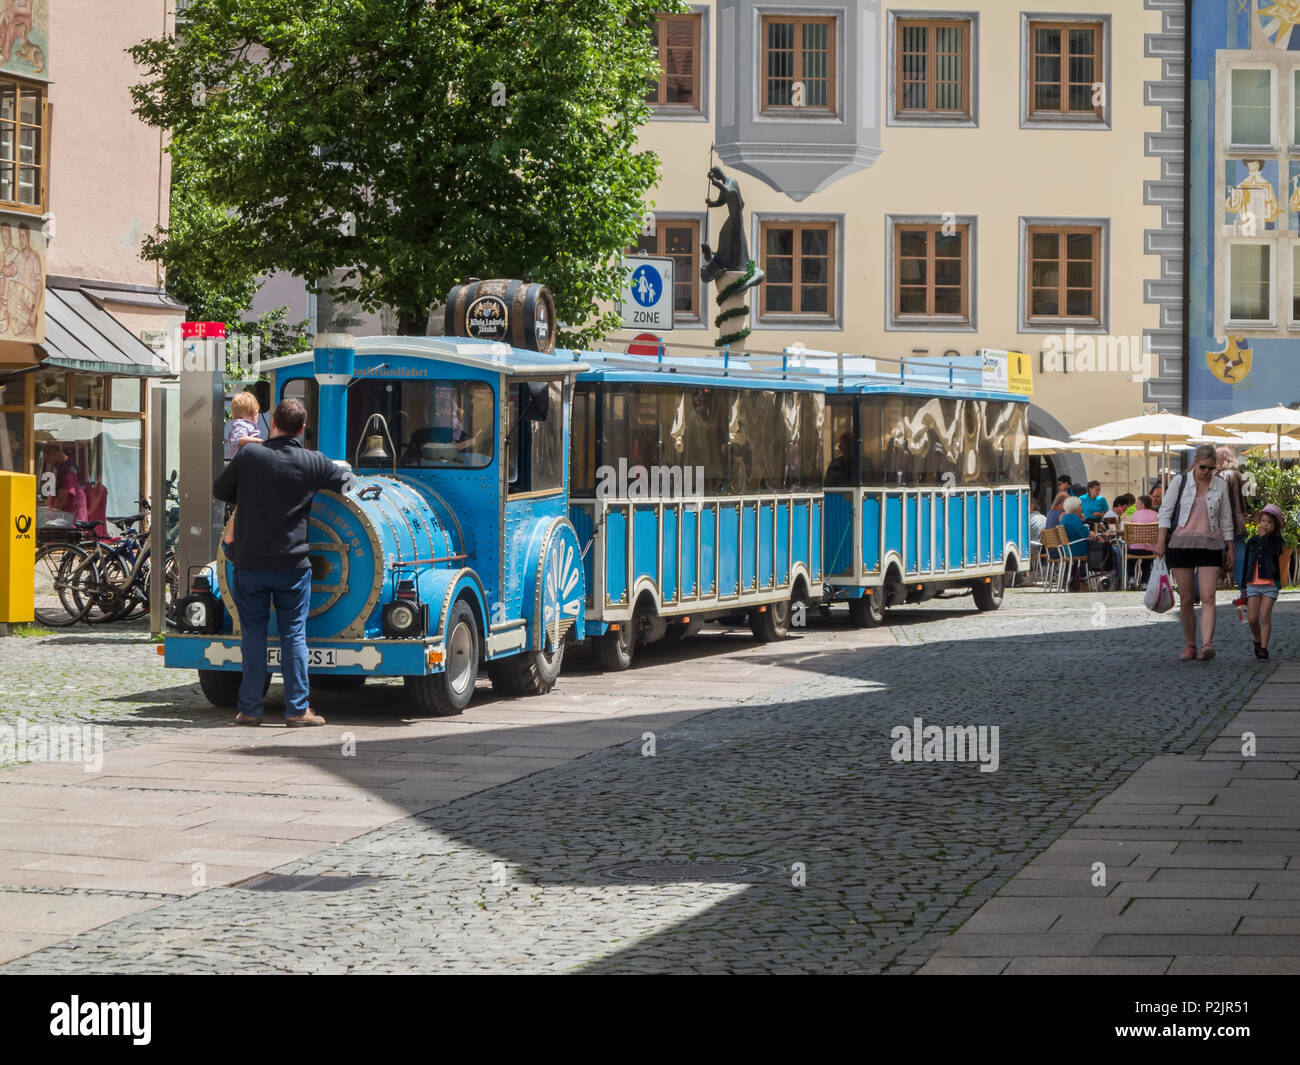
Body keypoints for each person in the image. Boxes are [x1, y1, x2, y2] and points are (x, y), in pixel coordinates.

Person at [213, 398, 353, 727]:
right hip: (292, 564)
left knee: (253, 636)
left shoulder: (249, 455)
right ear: (302, 429)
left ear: (272, 423)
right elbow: (348, 485)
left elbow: (221, 490)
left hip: (250, 562)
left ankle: (249, 709)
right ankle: (297, 710)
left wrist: (248, 493)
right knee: (293, 635)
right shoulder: (312, 461)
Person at [1156, 443, 1234, 661]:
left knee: (1209, 595)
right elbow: (1165, 513)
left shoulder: (1220, 485)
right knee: (1187, 597)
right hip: (1181, 544)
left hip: (1211, 544)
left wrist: (1231, 549)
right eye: (1203, 468)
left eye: (1211, 468)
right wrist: (1161, 542)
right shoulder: (1180, 482)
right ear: (1194, 464)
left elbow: (1226, 519)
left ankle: (1207, 643)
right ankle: (1190, 644)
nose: (1207, 472)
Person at [1240, 504, 1285, 660]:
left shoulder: (1277, 541)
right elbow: (1246, 562)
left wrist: (1265, 538)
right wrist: (1243, 585)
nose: (1265, 524)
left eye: (1269, 522)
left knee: (1265, 616)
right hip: (1252, 584)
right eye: (1263, 521)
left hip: (1270, 585)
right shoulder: (1252, 541)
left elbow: (1275, 553)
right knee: (1252, 619)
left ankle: (1264, 648)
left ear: (1274, 526)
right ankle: (1257, 640)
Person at [1216, 446, 1249, 587]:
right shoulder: (1242, 476)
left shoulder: (1220, 477)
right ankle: (1247, 592)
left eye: (1215, 458)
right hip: (1240, 525)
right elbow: (1250, 501)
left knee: (1209, 561)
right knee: (1240, 562)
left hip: (1222, 526)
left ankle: (1197, 590)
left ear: (1223, 459)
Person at [41, 442, 87, 523]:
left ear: (53, 455)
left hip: (73, 515)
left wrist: (53, 514)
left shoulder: (67, 470)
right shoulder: (63, 467)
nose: (48, 462)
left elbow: (64, 494)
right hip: (70, 513)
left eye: (48, 459)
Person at [1060, 495, 1091, 587]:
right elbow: (1085, 533)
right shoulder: (1073, 518)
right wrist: (1094, 535)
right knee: (1099, 548)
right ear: (1076, 508)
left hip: (1068, 549)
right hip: (1077, 549)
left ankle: (1081, 578)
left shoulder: (1065, 518)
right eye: (1080, 506)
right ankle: (1085, 579)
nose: (1081, 508)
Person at [224, 391, 263, 460]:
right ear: (254, 413)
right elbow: (241, 439)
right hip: (243, 463)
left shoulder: (242, 425)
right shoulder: (240, 425)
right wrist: (259, 441)